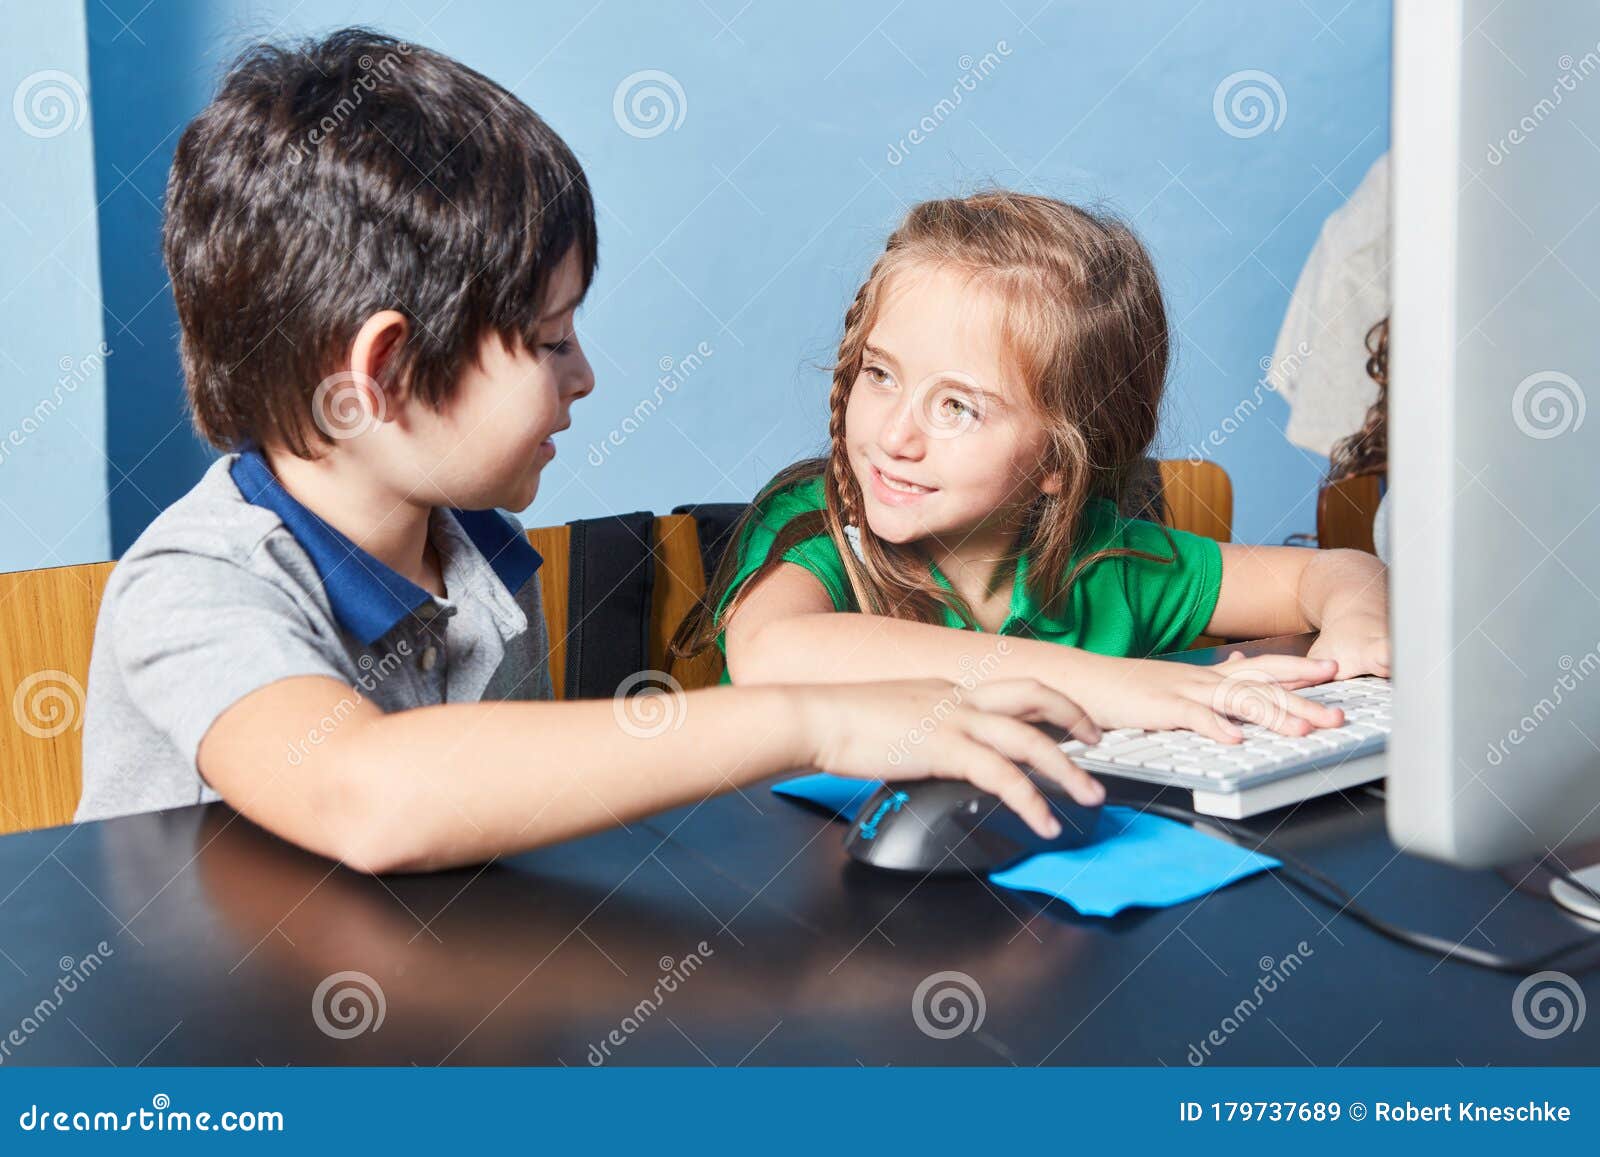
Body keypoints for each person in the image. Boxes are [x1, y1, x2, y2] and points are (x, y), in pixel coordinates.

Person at [76, 31, 1109, 873]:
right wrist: (816, 720)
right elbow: (365, 790)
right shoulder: (194, 587)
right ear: (382, 372)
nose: (584, 376)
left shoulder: (478, 550)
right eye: (549, 339)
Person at [678, 193, 1391, 740]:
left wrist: (1357, 628)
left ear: (1057, 457)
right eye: (880, 374)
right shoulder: (815, 527)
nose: (895, 435)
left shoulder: (1108, 563)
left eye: (957, 407)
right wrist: (1113, 686)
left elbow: (1335, 571)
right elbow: (777, 651)